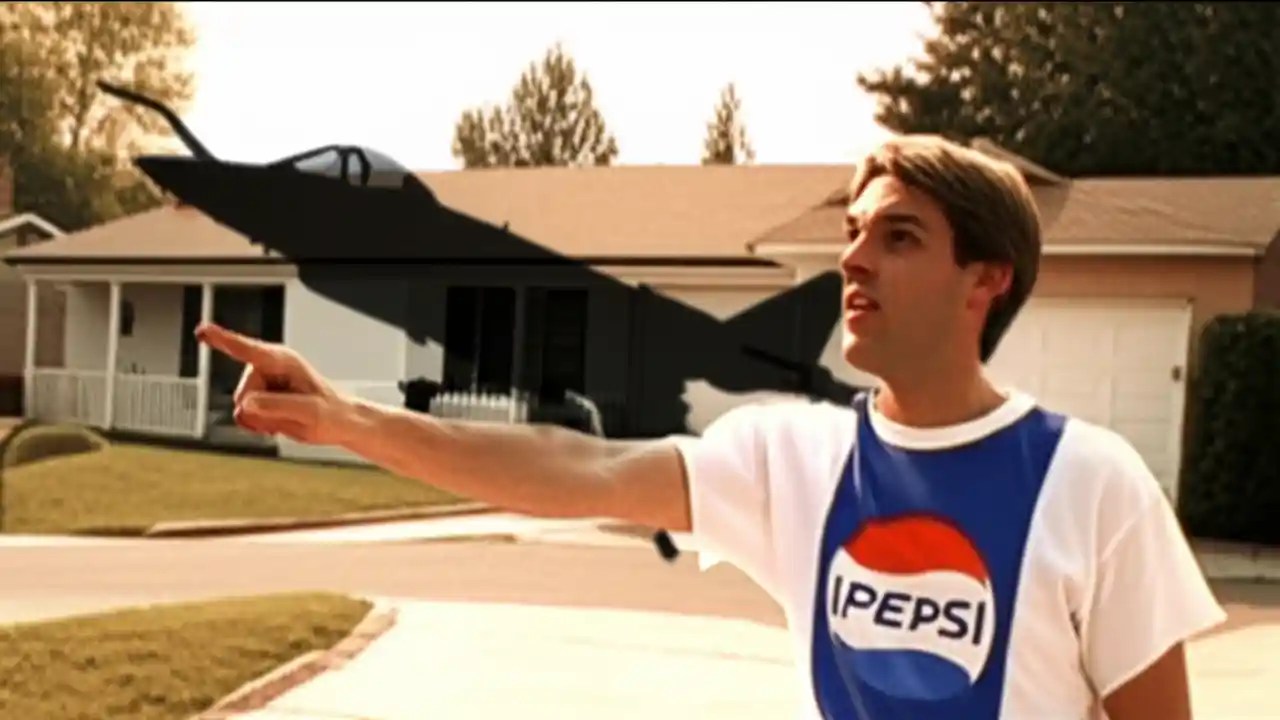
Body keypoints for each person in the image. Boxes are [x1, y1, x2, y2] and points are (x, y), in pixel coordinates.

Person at [196, 134, 1226, 720]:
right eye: (852, 233)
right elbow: (577, 467)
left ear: (983, 280)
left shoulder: (1092, 484)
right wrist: (344, 417)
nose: (854, 261)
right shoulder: (794, 458)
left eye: (898, 237)